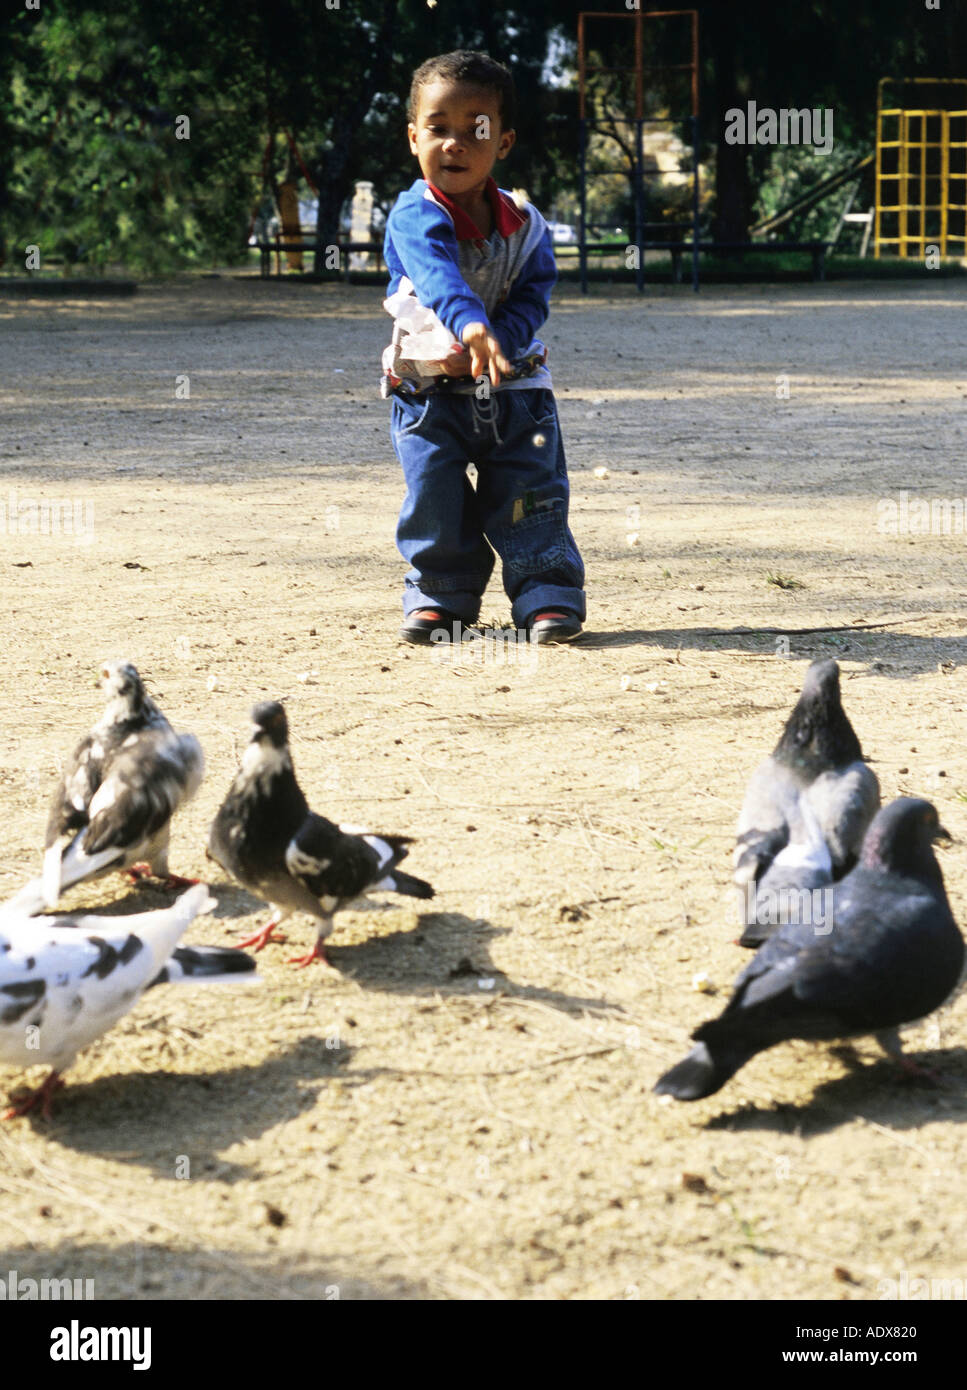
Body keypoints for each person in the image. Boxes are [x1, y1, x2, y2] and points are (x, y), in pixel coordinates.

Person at [381, 49, 586, 646]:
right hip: (427, 391)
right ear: (414, 138)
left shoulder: (527, 225)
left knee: (531, 494)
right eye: (438, 129)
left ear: (503, 142)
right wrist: (471, 328)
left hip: (516, 390)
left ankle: (547, 594)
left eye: (475, 130)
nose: (454, 143)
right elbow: (437, 273)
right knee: (434, 497)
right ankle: (441, 597)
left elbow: (532, 295)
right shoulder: (412, 215)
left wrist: (502, 340)